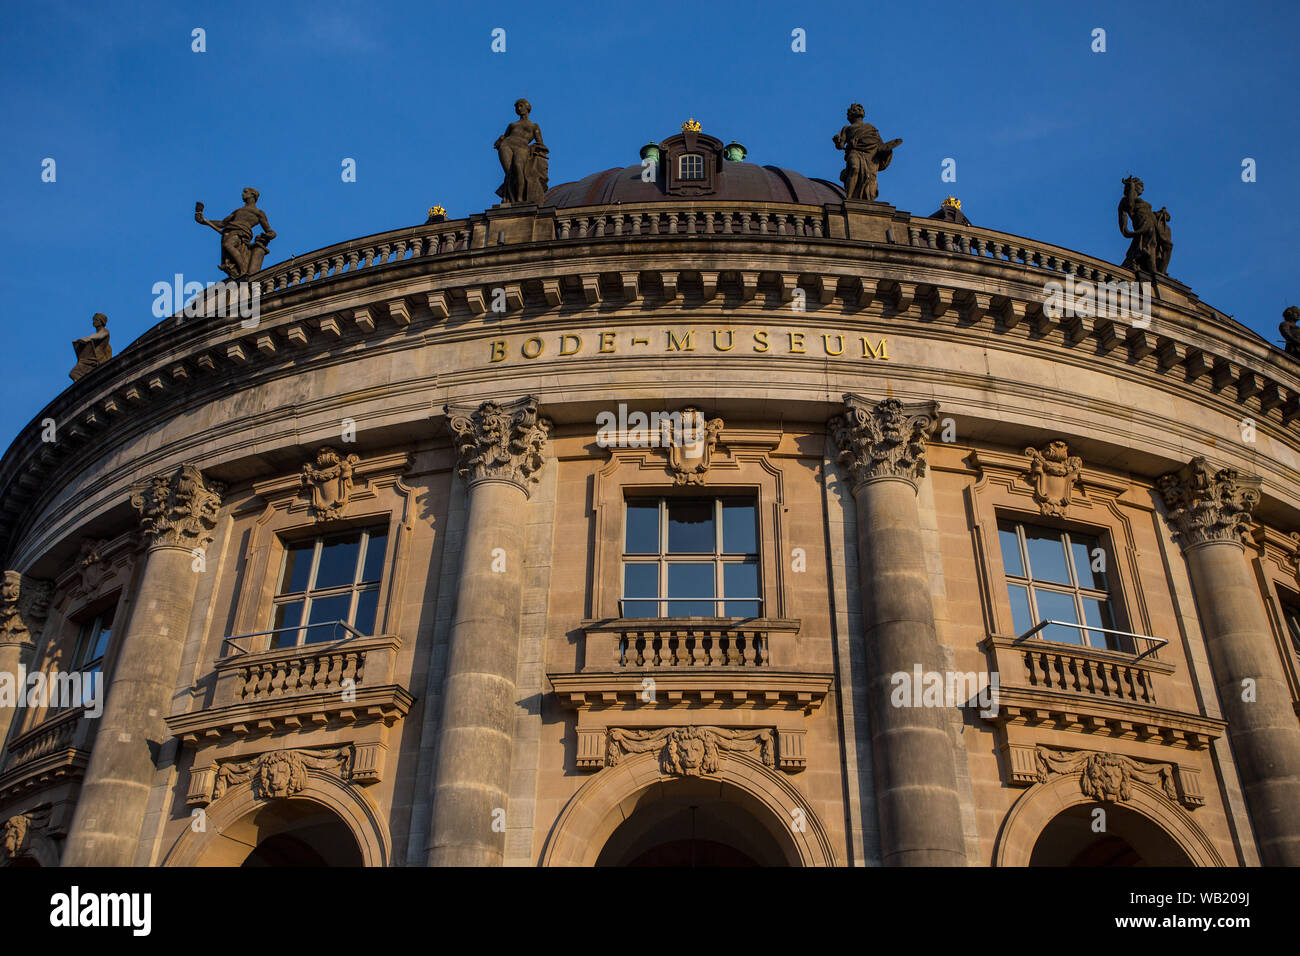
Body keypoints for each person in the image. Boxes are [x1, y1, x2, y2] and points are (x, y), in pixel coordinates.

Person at [194, 187, 276, 279]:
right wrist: (204, 221)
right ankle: (238, 271)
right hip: (229, 232)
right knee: (227, 248)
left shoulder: (259, 213)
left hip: (242, 233)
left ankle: (243, 270)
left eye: (245, 192)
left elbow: (270, 231)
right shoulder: (238, 211)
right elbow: (222, 223)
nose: (242, 194)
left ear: (253, 195)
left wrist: (268, 235)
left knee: (228, 245)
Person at [494, 99, 546, 204]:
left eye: (521, 106)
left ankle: (519, 199)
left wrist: (535, 149)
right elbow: (502, 139)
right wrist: (500, 140)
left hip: (522, 147)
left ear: (527, 108)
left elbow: (540, 143)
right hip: (506, 145)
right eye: (517, 107)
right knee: (509, 172)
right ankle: (508, 199)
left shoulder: (534, 126)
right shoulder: (512, 125)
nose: (519, 108)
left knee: (519, 170)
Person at [70, 313, 112, 381]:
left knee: (75, 372)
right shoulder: (97, 333)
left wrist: (86, 339)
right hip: (90, 358)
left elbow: (99, 336)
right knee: (74, 373)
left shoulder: (105, 331)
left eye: (95, 320)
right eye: (93, 320)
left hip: (97, 360)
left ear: (101, 321)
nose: (93, 322)